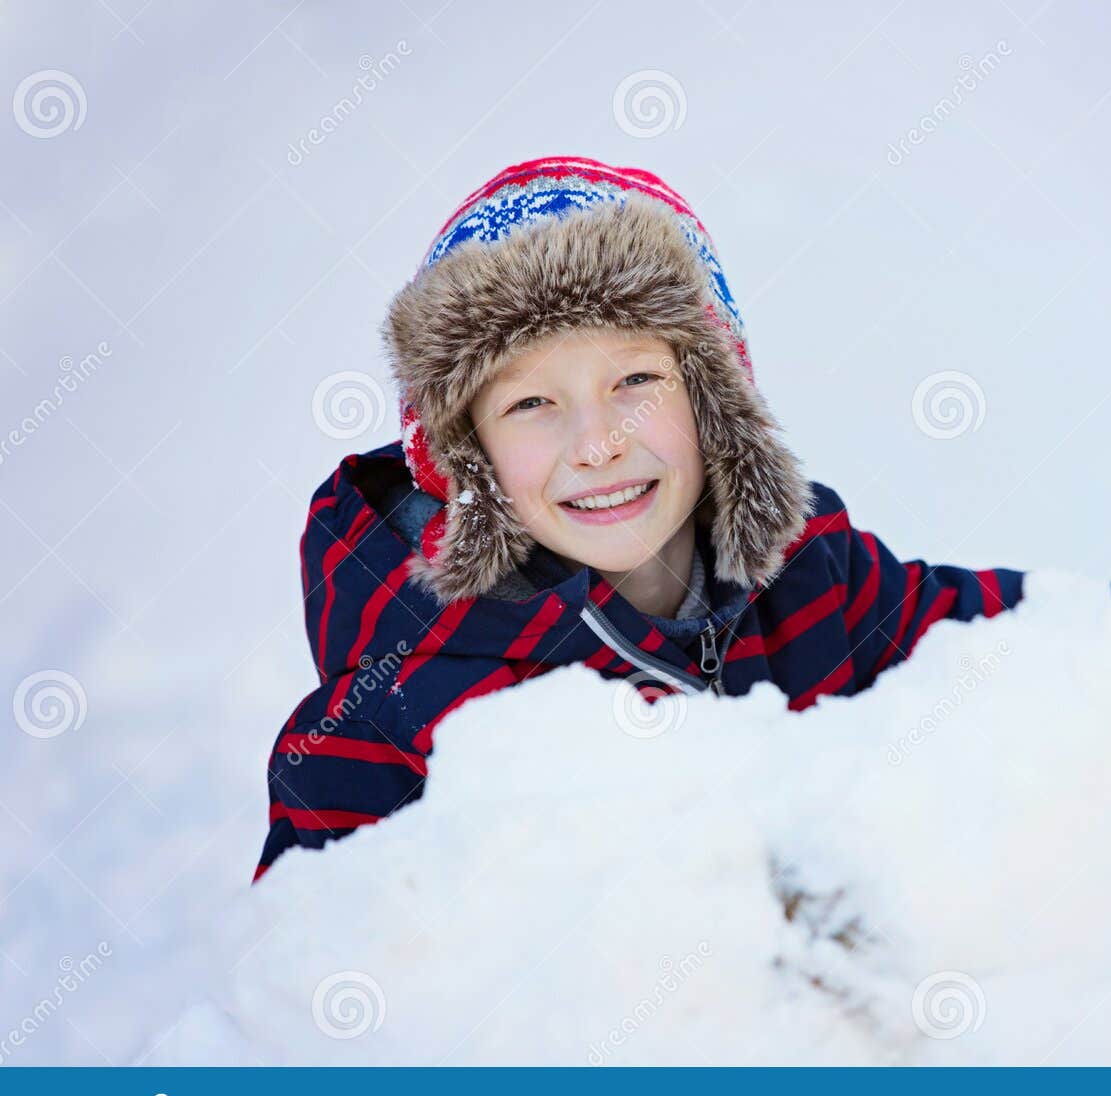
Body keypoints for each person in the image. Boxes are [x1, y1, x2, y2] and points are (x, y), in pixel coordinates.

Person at [255, 157, 1024, 880]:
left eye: (635, 379)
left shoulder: (815, 579)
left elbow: (1051, 652)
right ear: (468, 453)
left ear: (712, 400)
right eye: (531, 403)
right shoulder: (399, 730)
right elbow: (299, 977)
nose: (598, 444)